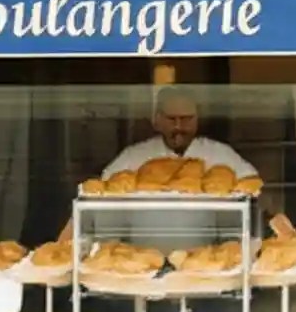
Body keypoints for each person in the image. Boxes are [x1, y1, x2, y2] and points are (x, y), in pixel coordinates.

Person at [57, 85, 259, 244]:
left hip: (205, 262)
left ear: (198, 120)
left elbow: (254, 193)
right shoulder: (134, 157)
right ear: (157, 120)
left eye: (186, 119)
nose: (179, 127)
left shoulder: (220, 155)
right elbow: (96, 199)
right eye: (172, 119)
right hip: (140, 264)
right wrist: (66, 241)